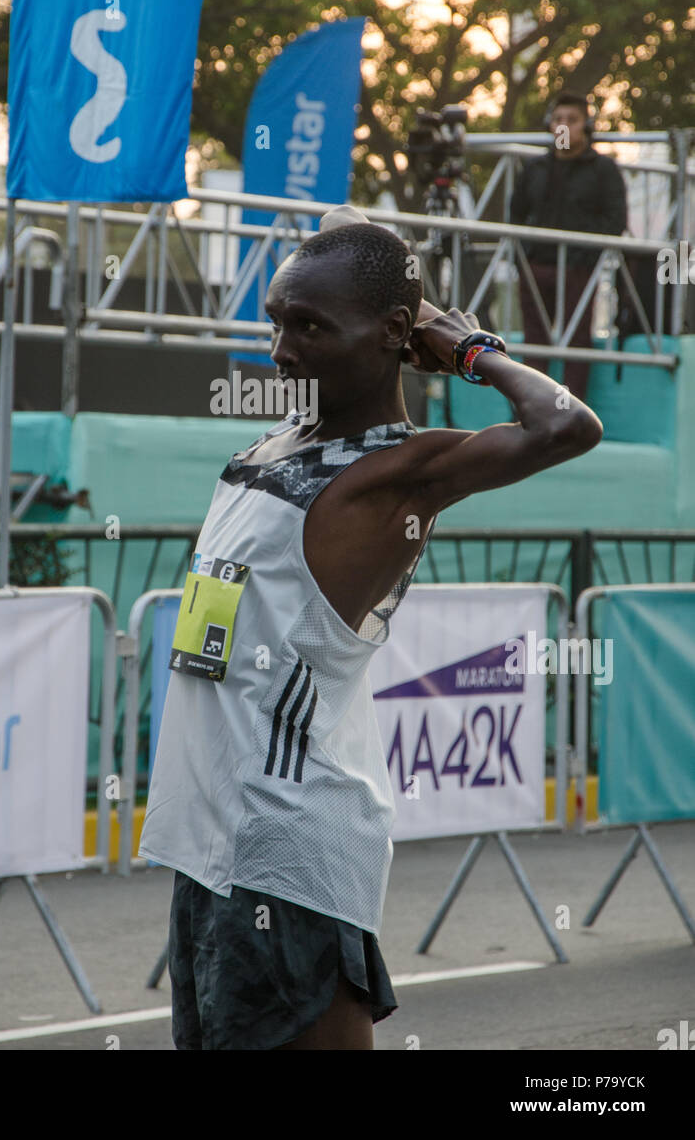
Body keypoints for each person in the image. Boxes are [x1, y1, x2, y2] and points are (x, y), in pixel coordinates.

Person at [138, 219, 603, 1051]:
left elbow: (564, 425)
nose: (282, 350)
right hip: (207, 843)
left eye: (311, 326)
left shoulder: (396, 473)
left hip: (283, 852)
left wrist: (466, 347)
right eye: (277, 320)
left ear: (393, 331)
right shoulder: (272, 446)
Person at [511, 91, 627, 401]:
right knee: (534, 342)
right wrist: (523, 257)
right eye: (558, 119)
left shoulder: (604, 170)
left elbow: (615, 219)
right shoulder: (535, 168)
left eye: (572, 120)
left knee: (577, 341)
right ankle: (530, 409)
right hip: (536, 266)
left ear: (586, 126)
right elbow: (515, 214)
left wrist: (583, 254)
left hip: (579, 268)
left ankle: (570, 416)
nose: (563, 126)